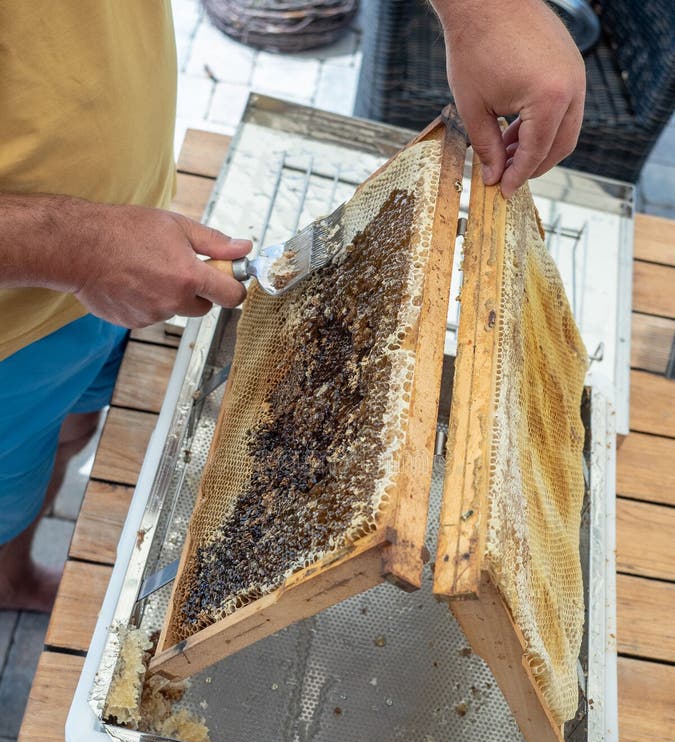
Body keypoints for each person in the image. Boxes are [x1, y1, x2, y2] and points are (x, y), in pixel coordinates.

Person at [0, 0, 586, 612]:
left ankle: (51, 470)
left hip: (122, 242)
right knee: (8, 490)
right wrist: (80, 249)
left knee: (72, 426)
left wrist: (484, 11)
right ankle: (8, 577)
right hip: (14, 333)